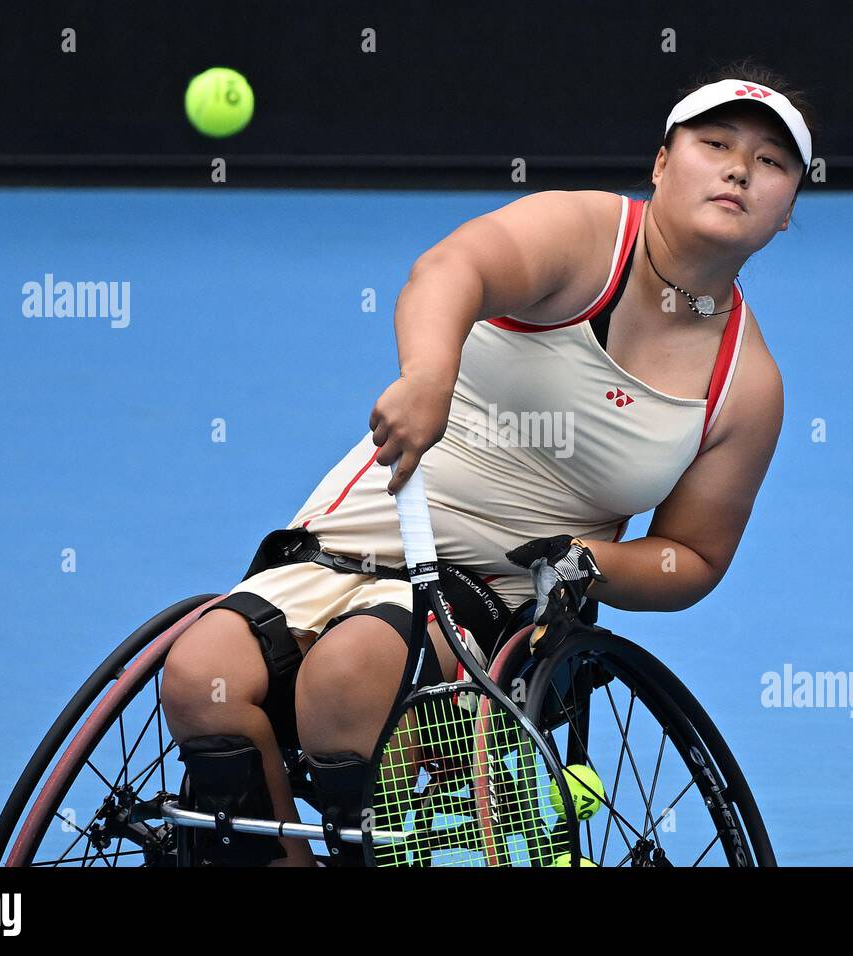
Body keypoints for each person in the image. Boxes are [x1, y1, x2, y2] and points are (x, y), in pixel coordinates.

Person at [161, 59, 816, 866]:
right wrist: (430, 377)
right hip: (367, 524)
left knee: (347, 679)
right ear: (660, 163)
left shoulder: (746, 387)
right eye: (716, 142)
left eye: (772, 162)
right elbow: (448, 273)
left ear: (787, 212)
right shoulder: (580, 235)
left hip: (503, 594)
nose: (739, 168)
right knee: (199, 672)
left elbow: (696, 556)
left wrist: (593, 564)